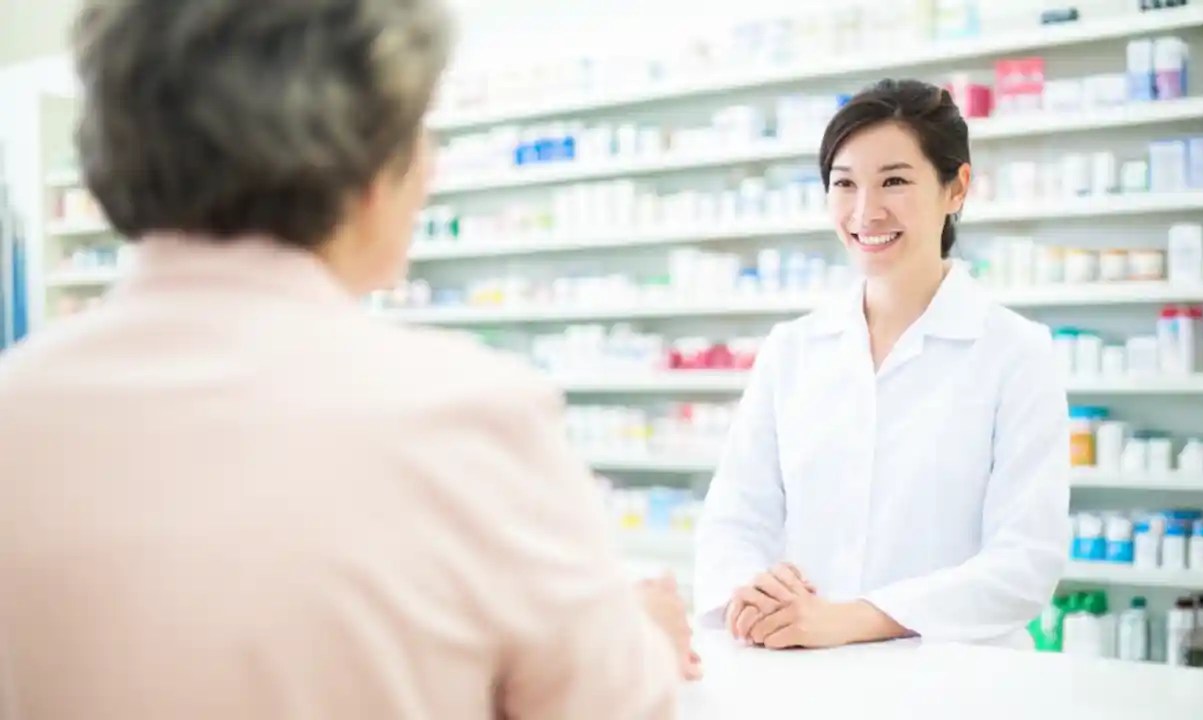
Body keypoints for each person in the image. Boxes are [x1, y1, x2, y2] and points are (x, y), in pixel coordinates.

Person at [0, 1, 694, 718]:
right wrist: (640, 640)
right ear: (365, 169)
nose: (430, 170)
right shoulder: (464, 413)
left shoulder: (16, 406)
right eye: (419, 135)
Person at [693, 79, 1070, 651]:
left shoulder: (1016, 352)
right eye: (844, 184)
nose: (866, 211)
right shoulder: (792, 349)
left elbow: (1024, 564)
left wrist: (855, 619)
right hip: (803, 669)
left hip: (960, 682)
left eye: (894, 180)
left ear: (956, 188)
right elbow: (735, 520)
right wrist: (751, 593)